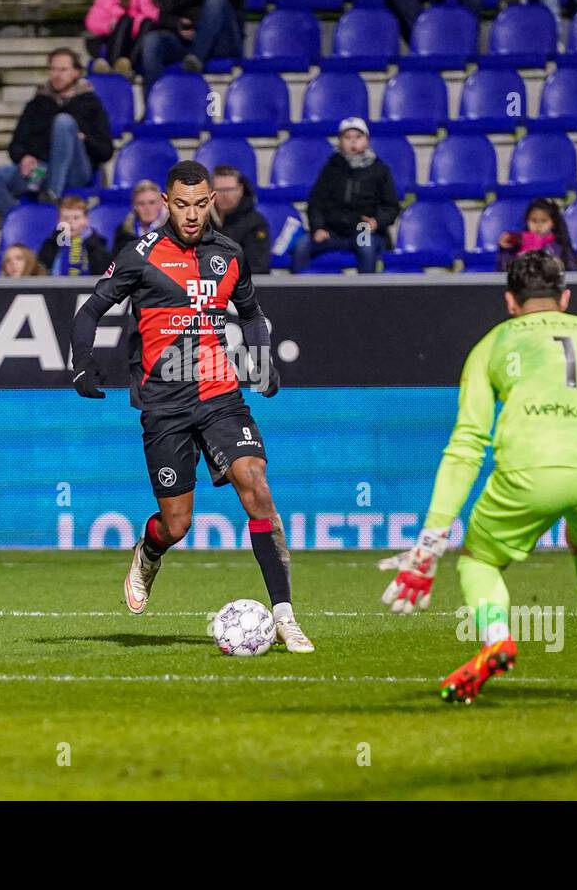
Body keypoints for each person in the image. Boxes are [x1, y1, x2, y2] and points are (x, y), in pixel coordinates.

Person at [377, 252, 577, 704]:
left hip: (528, 473)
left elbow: (467, 444)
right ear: (567, 298)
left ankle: (497, 638)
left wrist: (431, 541)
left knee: (479, 559)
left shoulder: (492, 343)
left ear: (511, 302)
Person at [70, 159, 314, 653]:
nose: (191, 214)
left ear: (211, 202)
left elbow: (251, 314)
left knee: (256, 482)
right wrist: (82, 363)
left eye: (201, 204)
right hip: (164, 403)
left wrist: (263, 360)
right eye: (181, 204)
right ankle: (149, 551)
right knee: (176, 523)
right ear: (166, 203)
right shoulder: (140, 256)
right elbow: (91, 308)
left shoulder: (230, 253)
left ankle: (286, 615)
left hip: (220, 394)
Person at [0, 48, 113, 215]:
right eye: (53, 69)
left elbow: (106, 151)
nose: (57, 74)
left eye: (63, 70)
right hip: (41, 169)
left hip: (76, 171)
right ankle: (23, 217)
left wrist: (84, 138)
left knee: (63, 122)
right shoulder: (37, 103)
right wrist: (24, 157)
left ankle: (53, 195)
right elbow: (16, 144)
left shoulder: (91, 104)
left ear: (76, 72)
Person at [295, 117, 401, 274]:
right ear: (340, 141)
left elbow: (391, 206)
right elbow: (316, 202)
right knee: (302, 245)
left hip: (363, 230)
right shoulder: (331, 169)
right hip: (333, 232)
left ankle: (366, 295)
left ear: (367, 140)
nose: (353, 142)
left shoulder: (380, 170)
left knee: (366, 247)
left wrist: (377, 222)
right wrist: (318, 228)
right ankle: (296, 295)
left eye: (358, 137)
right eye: (347, 138)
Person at [211, 165, 270, 274]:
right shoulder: (202, 221)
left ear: (240, 189)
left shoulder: (255, 222)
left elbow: (258, 266)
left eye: (229, 189)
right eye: (219, 190)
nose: (225, 195)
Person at [496, 197, 577, 271]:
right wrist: (505, 250)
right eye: (533, 220)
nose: (538, 225)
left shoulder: (562, 249)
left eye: (543, 220)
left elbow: (572, 274)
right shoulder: (517, 246)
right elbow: (505, 271)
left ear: (553, 223)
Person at [38, 195, 110, 276]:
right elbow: (41, 270)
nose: (70, 222)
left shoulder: (97, 244)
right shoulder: (51, 243)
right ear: (58, 221)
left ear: (86, 220)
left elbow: (104, 273)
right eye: (65, 218)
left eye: (76, 218)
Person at [112, 179, 167, 256]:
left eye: (152, 202)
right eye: (141, 203)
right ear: (134, 206)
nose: (147, 208)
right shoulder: (124, 232)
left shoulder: (172, 230)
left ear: (161, 203)